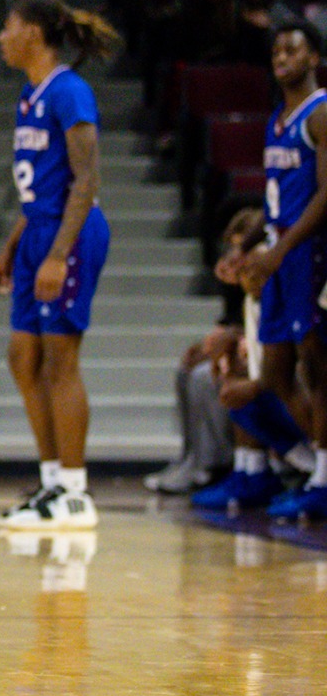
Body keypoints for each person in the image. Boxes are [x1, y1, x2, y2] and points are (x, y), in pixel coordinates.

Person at [0, 0, 121, 529]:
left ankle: (74, 492)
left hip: (73, 231)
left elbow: (86, 181)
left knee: (60, 360)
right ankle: (49, 483)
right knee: (22, 358)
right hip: (39, 230)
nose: (0, 37)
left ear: (33, 35)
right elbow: (40, 187)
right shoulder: (29, 96)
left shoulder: (70, 91)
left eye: (7, 26)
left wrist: (58, 254)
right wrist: (13, 246)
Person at [199, 23, 327, 519]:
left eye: (292, 47)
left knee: (316, 366)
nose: (281, 56)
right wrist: (250, 248)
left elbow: (324, 195)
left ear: (314, 55)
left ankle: (321, 474)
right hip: (280, 251)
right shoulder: (278, 118)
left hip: (309, 252)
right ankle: (309, 463)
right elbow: (276, 203)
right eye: (275, 50)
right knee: (275, 374)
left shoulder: (320, 113)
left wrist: (281, 249)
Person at [144, 203, 258, 494]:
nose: (235, 258)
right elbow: (234, 322)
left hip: (267, 363)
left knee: (208, 377)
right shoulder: (239, 285)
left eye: (240, 249)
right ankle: (191, 456)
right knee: (187, 370)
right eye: (232, 249)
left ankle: (215, 464)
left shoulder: (266, 273)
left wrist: (231, 341)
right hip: (254, 353)